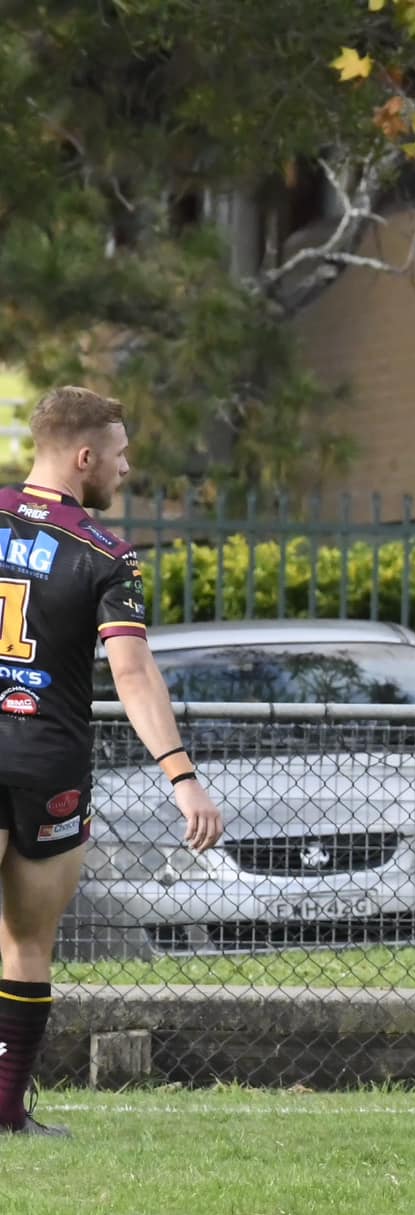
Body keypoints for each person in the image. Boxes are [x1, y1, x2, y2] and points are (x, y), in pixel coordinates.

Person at [0, 387, 225, 1135]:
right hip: (49, 765)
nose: (127, 468)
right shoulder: (107, 553)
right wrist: (182, 777)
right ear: (84, 456)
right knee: (28, 942)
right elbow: (131, 672)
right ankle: (5, 1113)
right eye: (121, 454)